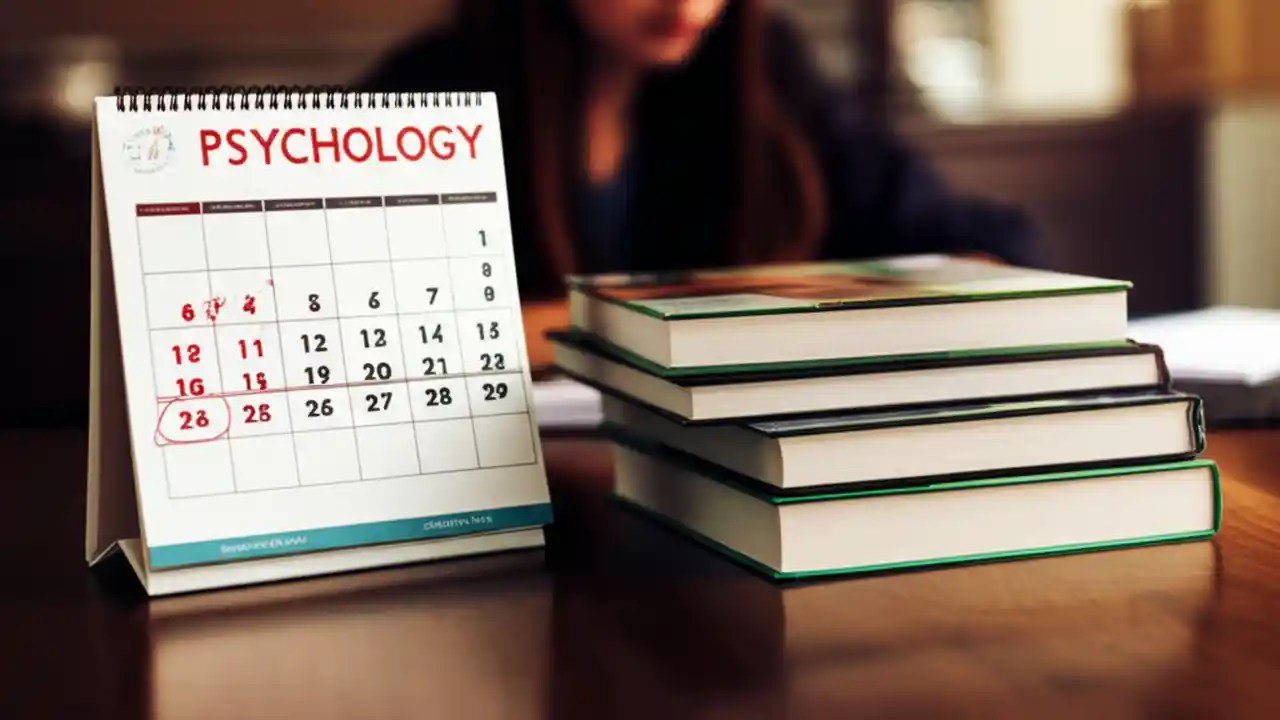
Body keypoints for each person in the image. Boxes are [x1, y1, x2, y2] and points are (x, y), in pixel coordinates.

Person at [363, 0, 1034, 363]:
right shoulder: (432, 92)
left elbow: (983, 246)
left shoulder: (763, 71)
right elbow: (380, 337)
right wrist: (746, 299)